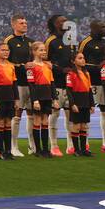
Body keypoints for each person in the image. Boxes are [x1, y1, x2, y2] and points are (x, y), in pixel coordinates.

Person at [2, 14, 33, 156]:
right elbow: (6, 62)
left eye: (25, 23)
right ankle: (13, 146)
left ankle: (32, 146)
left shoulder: (31, 42)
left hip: (32, 83)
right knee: (17, 113)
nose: (24, 25)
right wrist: (22, 66)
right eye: (21, 23)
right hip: (18, 83)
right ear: (13, 25)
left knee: (32, 113)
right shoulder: (9, 41)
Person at [78, 19, 105, 153]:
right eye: (103, 27)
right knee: (85, 113)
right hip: (90, 83)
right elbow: (79, 62)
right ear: (94, 28)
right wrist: (98, 67)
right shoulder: (85, 43)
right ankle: (84, 143)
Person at [44, 14, 74, 157]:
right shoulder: (50, 41)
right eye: (61, 21)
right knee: (54, 114)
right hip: (55, 83)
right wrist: (60, 69)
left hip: (69, 84)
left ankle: (71, 145)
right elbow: (45, 61)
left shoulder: (70, 39)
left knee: (70, 115)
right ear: (55, 24)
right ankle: (54, 146)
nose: (65, 22)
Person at [27, 41, 55, 157]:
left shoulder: (48, 66)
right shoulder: (31, 67)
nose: (43, 52)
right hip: (38, 96)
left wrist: (55, 98)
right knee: (37, 121)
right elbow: (31, 85)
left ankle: (45, 149)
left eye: (44, 50)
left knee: (45, 122)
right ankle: (37, 150)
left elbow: (52, 82)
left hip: (47, 95)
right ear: (34, 52)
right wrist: (35, 100)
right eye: (41, 50)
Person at [65, 51, 95, 157]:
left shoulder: (87, 74)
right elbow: (69, 91)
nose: (83, 60)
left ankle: (84, 150)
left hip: (86, 101)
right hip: (76, 102)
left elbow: (90, 90)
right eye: (80, 58)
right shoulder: (70, 74)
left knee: (84, 126)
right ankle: (76, 150)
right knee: (76, 126)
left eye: (83, 58)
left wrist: (92, 104)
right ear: (73, 61)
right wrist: (72, 104)